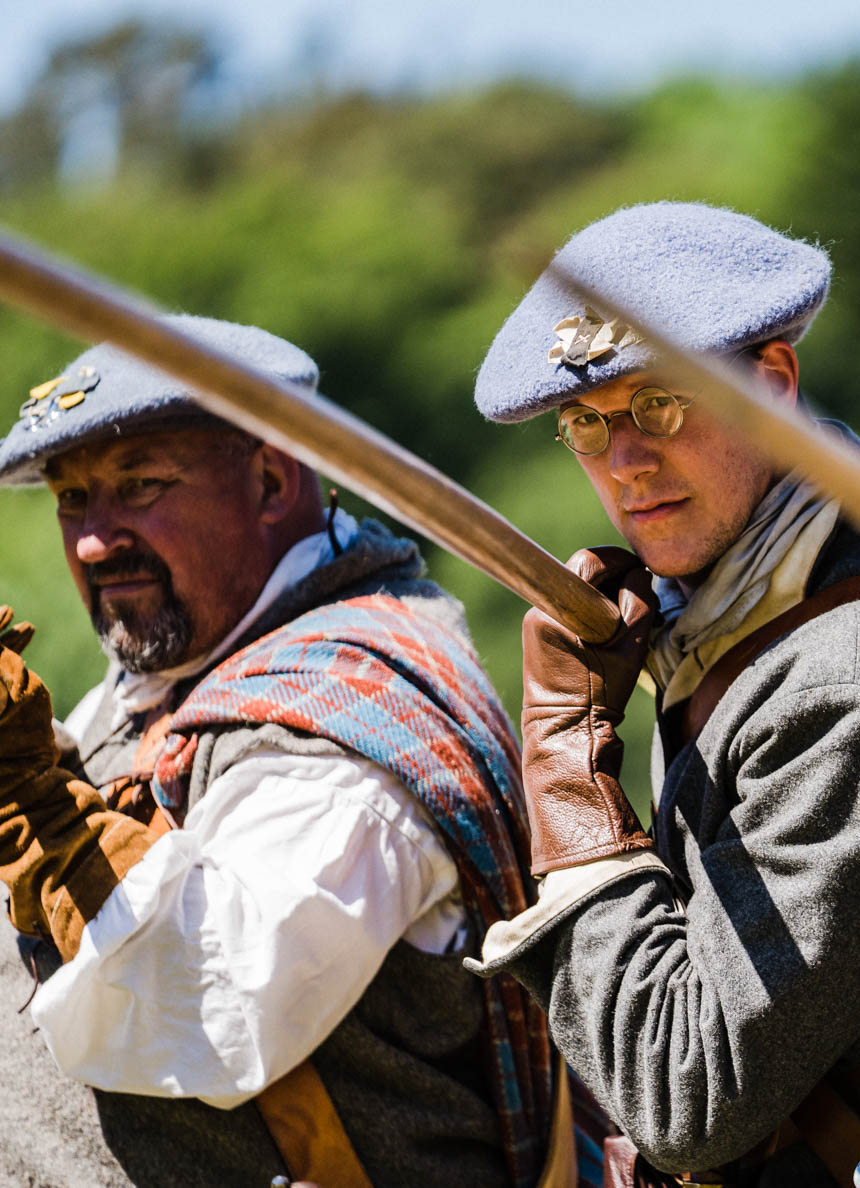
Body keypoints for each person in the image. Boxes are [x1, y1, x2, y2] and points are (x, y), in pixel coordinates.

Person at [467, 201, 860, 1187]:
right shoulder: (731, 637)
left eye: (661, 406)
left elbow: (685, 1098)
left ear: (771, 385)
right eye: (588, 426)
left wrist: (565, 757)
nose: (626, 462)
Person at [0, 317, 569, 1188]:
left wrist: (24, 791)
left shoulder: (348, 713)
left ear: (270, 479)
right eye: (71, 498)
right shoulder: (178, 671)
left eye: (138, 485)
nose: (91, 538)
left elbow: (213, 1013)